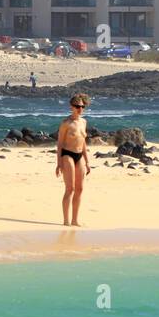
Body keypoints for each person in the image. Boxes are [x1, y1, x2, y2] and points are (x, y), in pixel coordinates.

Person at [56, 92, 92, 226]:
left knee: (80, 189)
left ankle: (75, 220)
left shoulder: (84, 122)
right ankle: (66, 221)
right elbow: (59, 144)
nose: (80, 109)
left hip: (79, 155)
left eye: (82, 107)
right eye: (77, 106)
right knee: (69, 188)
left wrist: (87, 162)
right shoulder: (66, 123)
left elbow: (83, 142)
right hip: (67, 154)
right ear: (71, 107)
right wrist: (58, 163)